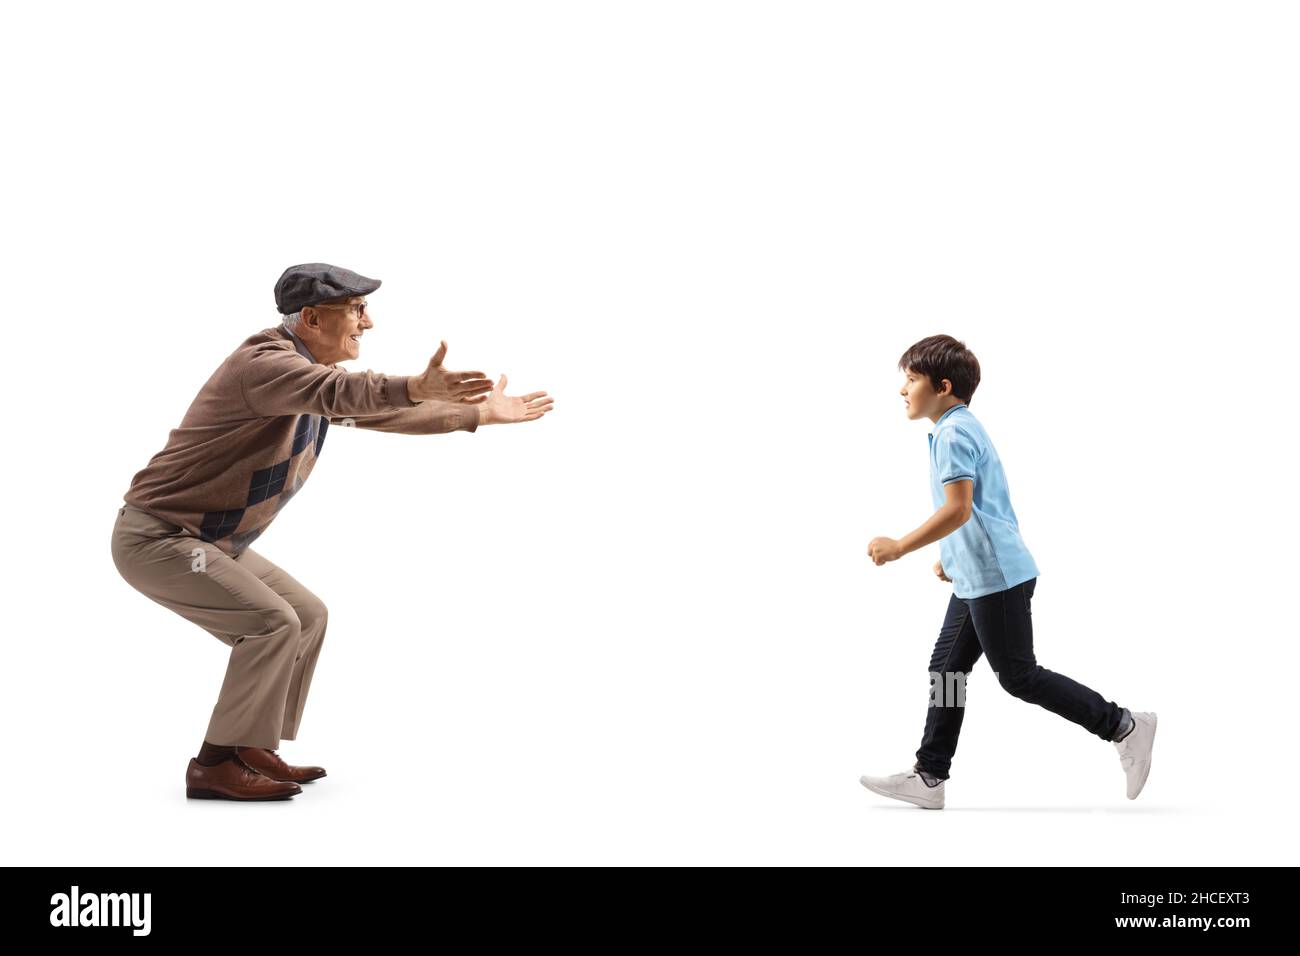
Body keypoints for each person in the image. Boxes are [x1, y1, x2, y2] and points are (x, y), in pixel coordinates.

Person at [111, 262, 554, 800]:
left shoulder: (304, 380)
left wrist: (478, 414)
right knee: (272, 623)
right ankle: (214, 764)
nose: (368, 322)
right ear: (312, 318)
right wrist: (414, 385)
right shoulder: (266, 365)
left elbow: (379, 413)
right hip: (161, 539)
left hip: (212, 541)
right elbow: (346, 392)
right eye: (357, 310)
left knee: (307, 615)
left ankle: (250, 745)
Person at [859, 334, 1154, 809]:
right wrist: (953, 557)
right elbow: (984, 507)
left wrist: (899, 546)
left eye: (911, 379)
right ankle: (930, 774)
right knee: (947, 669)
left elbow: (958, 509)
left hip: (995, 580)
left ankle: (1123, 725)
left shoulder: (953, 433)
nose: (902, 389)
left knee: (1019, 676)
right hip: (977, 576)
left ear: (943, 386)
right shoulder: (957, 427)